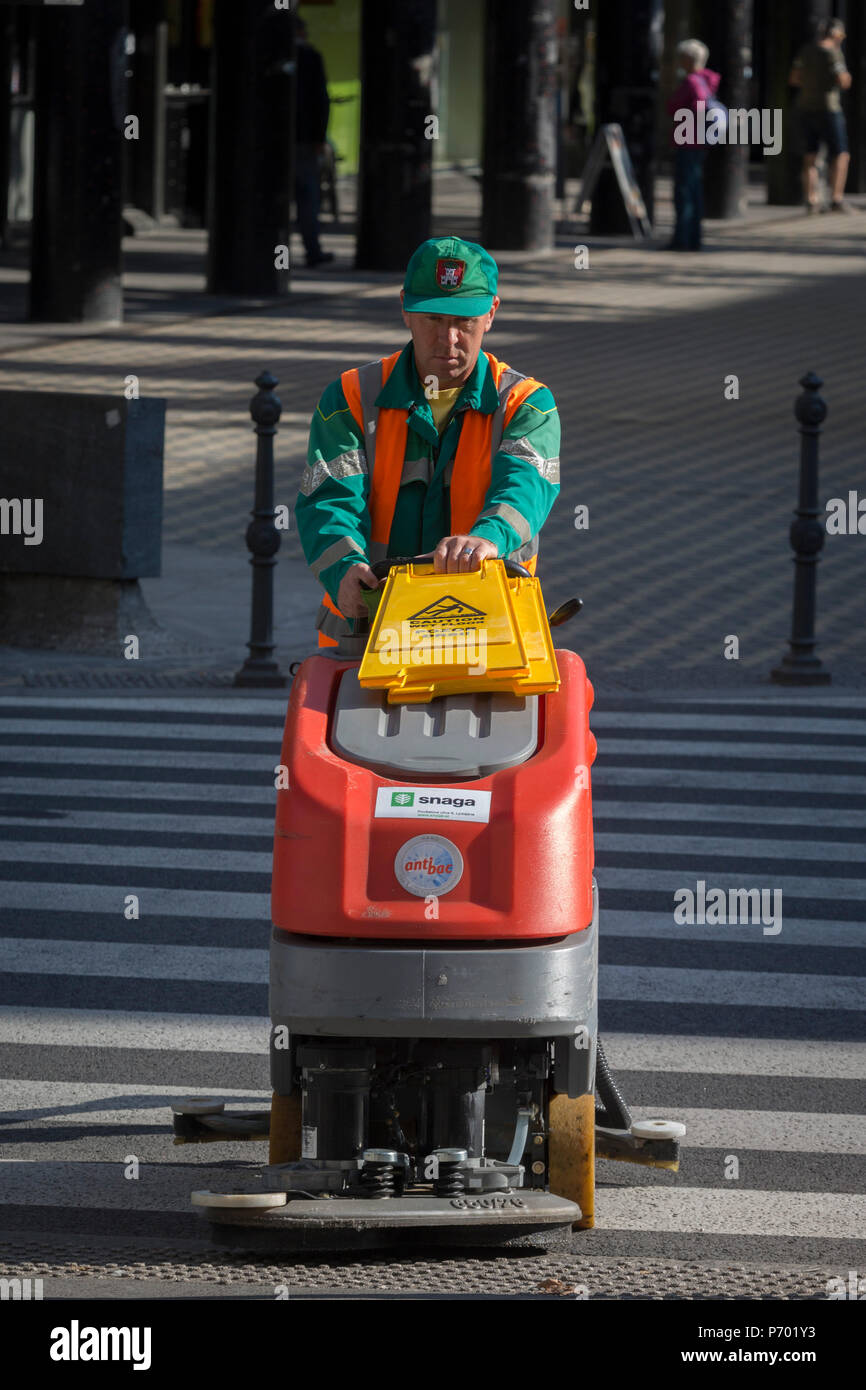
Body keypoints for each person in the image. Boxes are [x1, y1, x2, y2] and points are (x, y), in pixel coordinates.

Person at [295, 236, 561, 648]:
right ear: (405, 308)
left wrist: (487, 539)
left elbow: (525, 490)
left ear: (491, 313)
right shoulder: (350, 396)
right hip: (367, 636)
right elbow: (328, 500)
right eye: (433, 319)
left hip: (489, 636)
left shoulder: (525, 404)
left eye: (463, 322)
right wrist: (344, 570)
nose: (448, 339)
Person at [790, 17, 852, 213]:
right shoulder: (833, 53)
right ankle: (836, 198)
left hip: (805, 106)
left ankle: (811, 199)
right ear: (835, 35)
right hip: (829, 108)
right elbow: (843, 81)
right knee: (841, 154)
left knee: (810, 155)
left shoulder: (806, 51)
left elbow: (794, 78)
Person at [665, 39, 721, 251]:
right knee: (694, 189)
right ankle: (693, 237)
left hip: (688, 140)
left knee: (685, 191)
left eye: (681, 57)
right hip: (699, 141)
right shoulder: (707, 80)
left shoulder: (692, 81)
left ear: (688, 59)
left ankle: (683, 239)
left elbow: (691, 104)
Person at [295, 18, 334, 267]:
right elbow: (321, 99)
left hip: (272, 141)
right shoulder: (309, 56)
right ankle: (312, 250)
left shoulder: (264, 52)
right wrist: (319, 137)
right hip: (305, 139)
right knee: (307, 195)